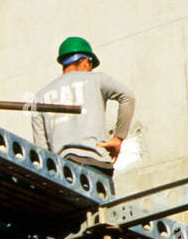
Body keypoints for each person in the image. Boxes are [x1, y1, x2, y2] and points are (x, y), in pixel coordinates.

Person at [30, 36, 135, 174]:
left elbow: (42, 149)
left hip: (62, 170)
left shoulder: (40, 97)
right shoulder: (96, 79)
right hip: (94, 163)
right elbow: (128, 97)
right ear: (85, 61)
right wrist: (118, 138)